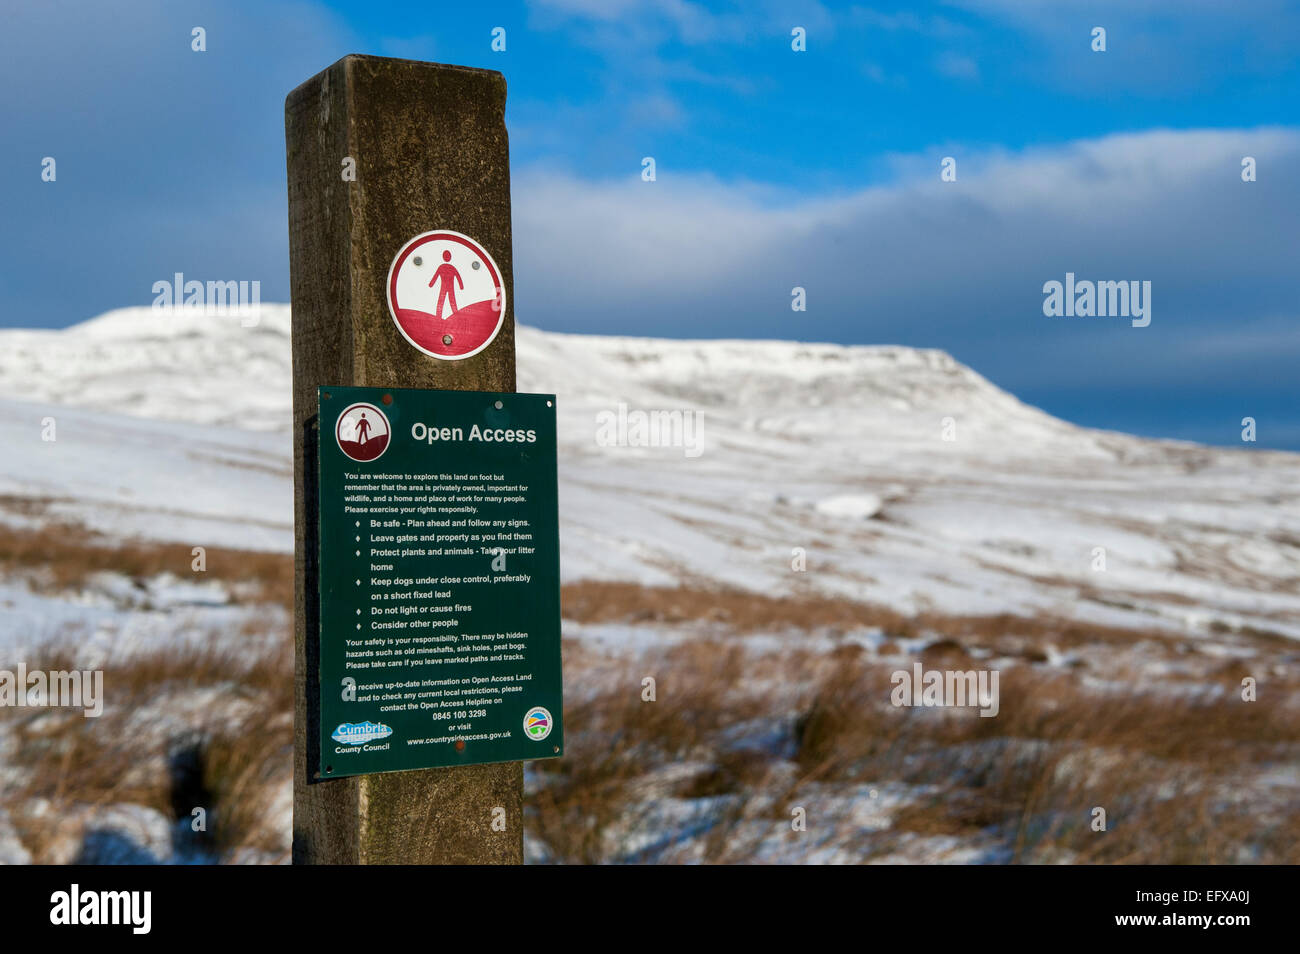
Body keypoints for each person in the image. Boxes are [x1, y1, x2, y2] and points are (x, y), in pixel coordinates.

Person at [428, 250, 464, 319]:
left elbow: (458, 277)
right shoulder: (449, 267)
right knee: (448, 301)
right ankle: (441, 316)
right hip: (447, 287)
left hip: (447, 287)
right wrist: (461, 286)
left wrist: (431, 284)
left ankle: (452, 316)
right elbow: (436, 276)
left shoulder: (444, 267)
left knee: (448, 301)